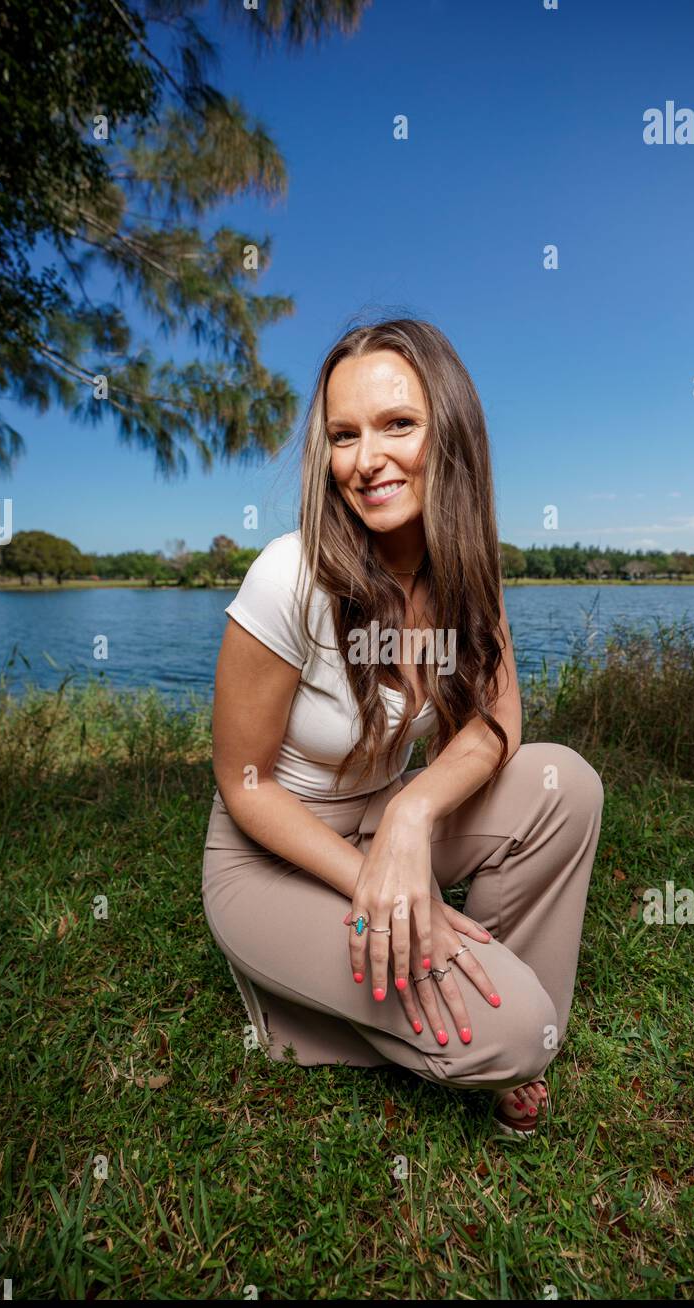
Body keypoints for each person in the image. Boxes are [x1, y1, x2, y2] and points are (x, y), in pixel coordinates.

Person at [202, 318, 603, 1137]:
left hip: (382, 816)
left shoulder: (465, 565)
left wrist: (413, 819)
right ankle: (297, 1008)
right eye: (343, 436)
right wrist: (373, 882)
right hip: (272, 855)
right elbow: (245, 785)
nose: (365, 460)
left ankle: (491, 1000)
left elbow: (500, 718)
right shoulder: (290, 573)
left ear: (448, 430)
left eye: (397, 425)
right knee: (518, 1030)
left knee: (567, 787)